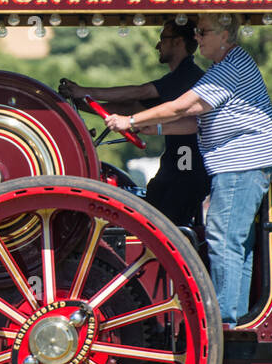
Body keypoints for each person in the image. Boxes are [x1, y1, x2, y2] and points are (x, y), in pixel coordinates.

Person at [104, 14, 272, 327]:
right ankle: (235, 317)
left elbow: (185, 107)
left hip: (243, 161)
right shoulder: (223, 67)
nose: (198, 37)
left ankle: (225, 322)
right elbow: (195, 121)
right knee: (235, 241)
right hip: (245, 160)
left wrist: (131, 121)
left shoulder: (229, 69)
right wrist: (155, 128)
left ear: (226, 35)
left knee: (222, 236)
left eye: (203, 32)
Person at [61, 20, 210, 227]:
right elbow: (133, 105)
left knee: (164, 226)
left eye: (163, 40)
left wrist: (85, 91)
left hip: (187, 174)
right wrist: (86, 105)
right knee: (151, 207)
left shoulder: (188, 75)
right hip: (175, 169)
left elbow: (140, 91)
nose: (158, 46)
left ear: (177, 42)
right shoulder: (176, 79)